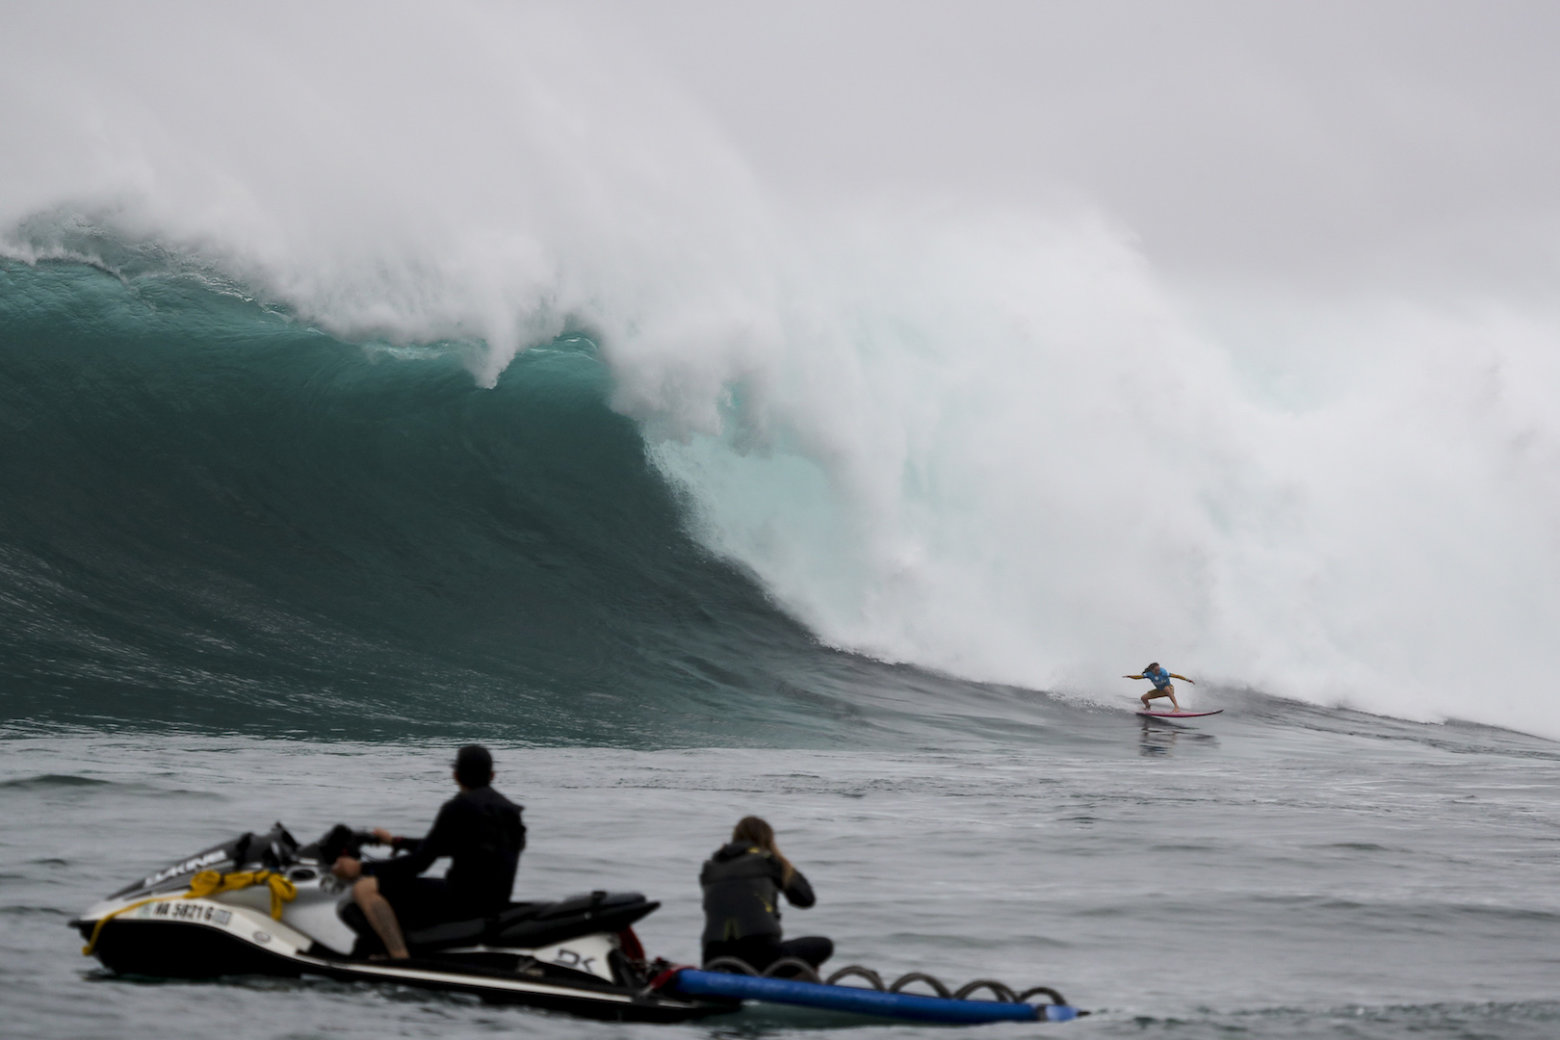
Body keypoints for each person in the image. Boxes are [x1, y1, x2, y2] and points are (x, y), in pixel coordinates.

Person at [332, 744, 525, 959]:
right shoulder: (510, 812)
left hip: (462, 900)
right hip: (495, 902)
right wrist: (395, 842)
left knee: (364, 888)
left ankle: (399, 958)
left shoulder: (458, 807)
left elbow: (418, 864)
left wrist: (360, 867)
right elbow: (449, 846)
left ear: (456, 775)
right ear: (491, 775)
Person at [700, 816, 833, 975]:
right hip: (761, 957)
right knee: (824, 945)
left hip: (713, 958)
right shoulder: (768, 861)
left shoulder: (710, 868)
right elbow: (806, 899)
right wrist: (782, 862)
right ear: (768, 840)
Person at [1124, 662, 1195, 710]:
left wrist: (1188, 680)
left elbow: (1176, 676)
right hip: (1159, 691)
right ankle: (1147, 707)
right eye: (1156, 670)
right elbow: (1139, 677)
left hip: (1169, 689)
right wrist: (1130, 676)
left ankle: (1176, 707)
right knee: (1143, 698)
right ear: (1152, 670)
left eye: (1159, 669)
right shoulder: (1149, 674)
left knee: (1166, 688)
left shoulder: (1164, 673)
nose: (1158, 671)